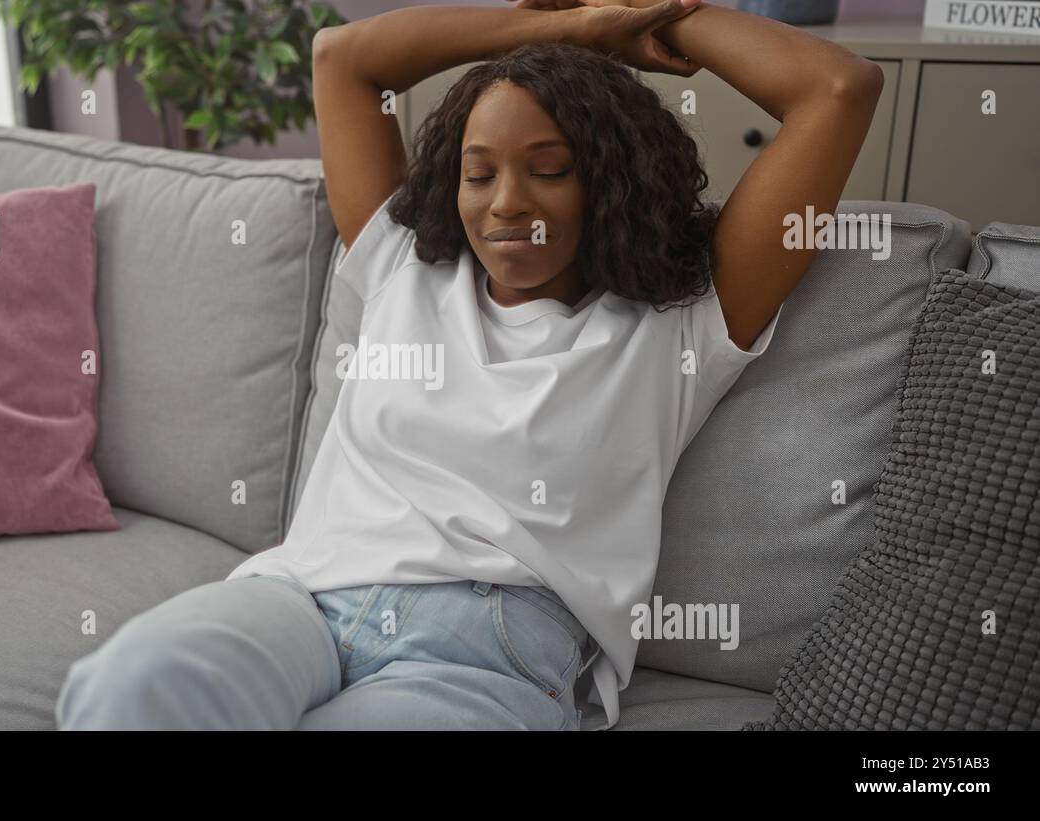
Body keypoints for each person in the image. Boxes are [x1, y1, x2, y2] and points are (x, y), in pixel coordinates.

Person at [56, 0, 883, 730]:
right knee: (130, 685)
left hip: (485, 652)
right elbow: (343, 58)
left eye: (550, 170)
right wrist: (564, 28)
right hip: (299, 602)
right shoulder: (402, 262)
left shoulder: (681, 320)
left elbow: (837, 88)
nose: (506, 202)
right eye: (478, 173)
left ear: (613, 183)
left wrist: (639, 17)